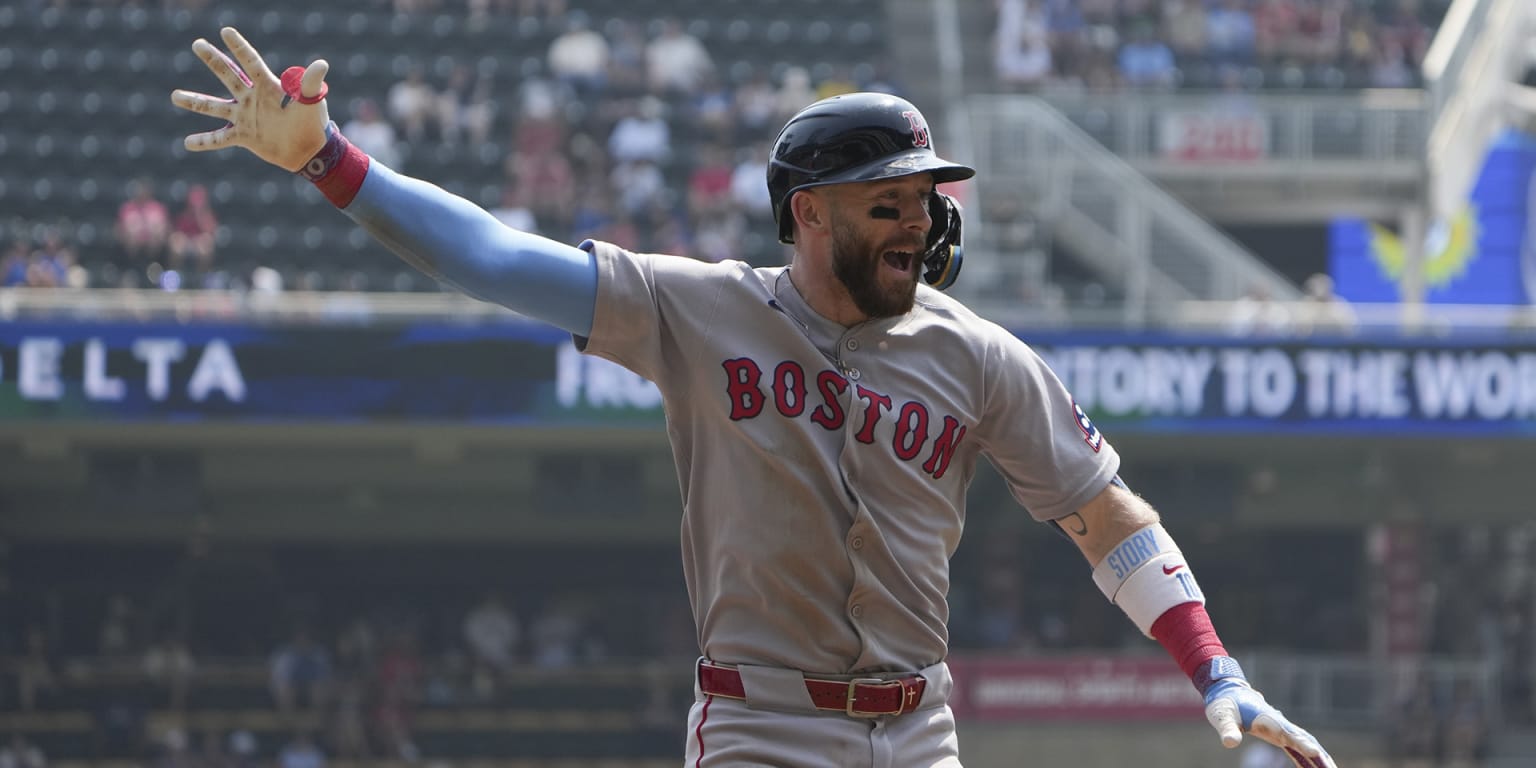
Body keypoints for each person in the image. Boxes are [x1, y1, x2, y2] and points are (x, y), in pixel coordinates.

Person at [171, 28, 1338, 767]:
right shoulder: (695, 309)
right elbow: (491, 258)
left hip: (921, 728)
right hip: (761, 726)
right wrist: (330, 162)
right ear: (808, 212)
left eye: (927, 199)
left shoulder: (978, 354)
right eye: (888, 201)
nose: (919, 221)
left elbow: (1107, 519)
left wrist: (1218, 675)